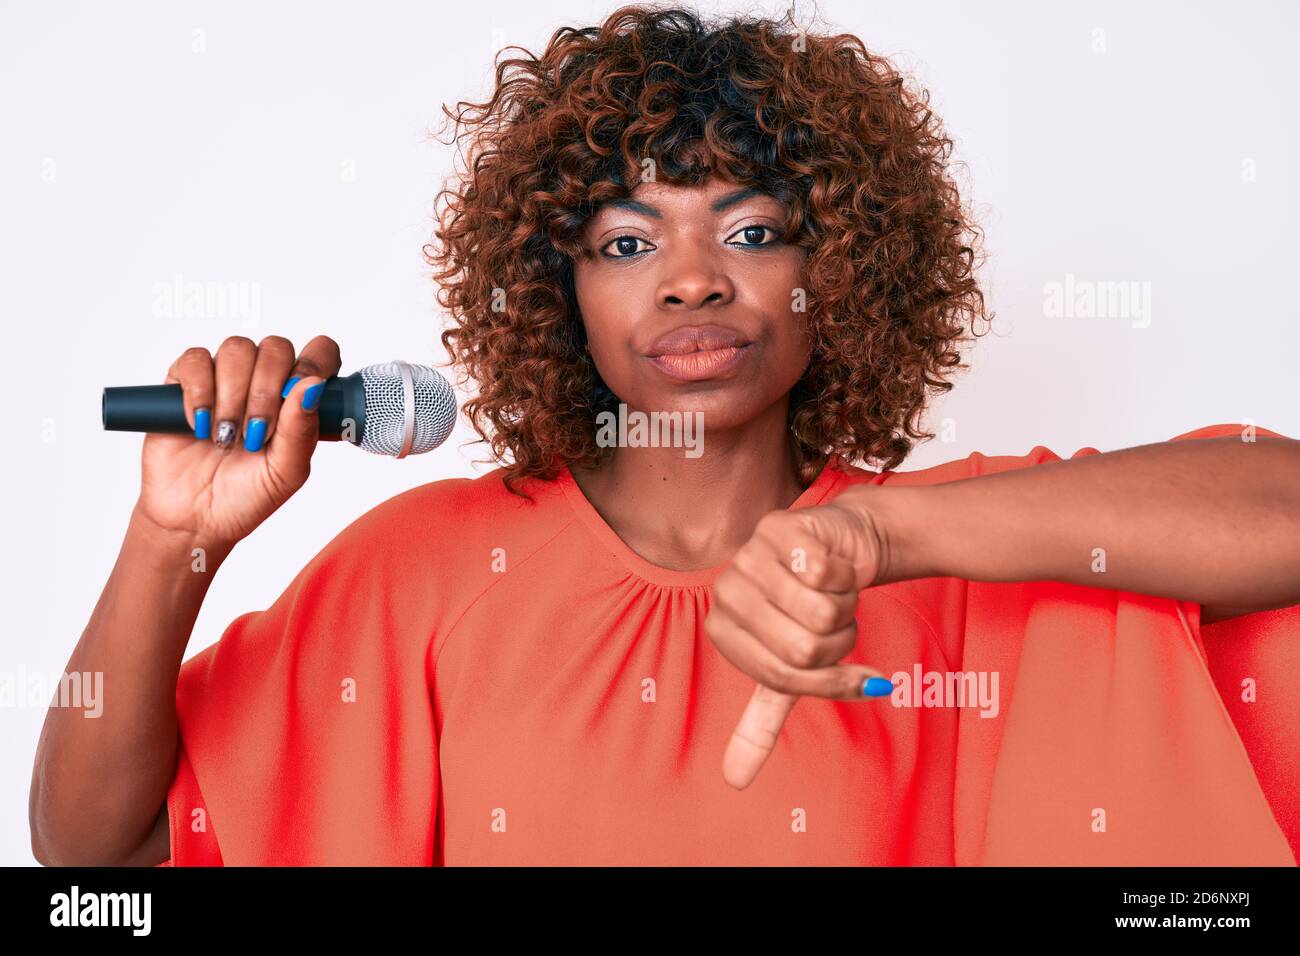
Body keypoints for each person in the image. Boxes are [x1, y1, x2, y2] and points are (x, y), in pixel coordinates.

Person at [29, 5, 1299, 867]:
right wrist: (170, 540)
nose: (690, 281)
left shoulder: (970, 556)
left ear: (840, 268)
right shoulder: (421, 567)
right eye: (628, 242)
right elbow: (99, 852)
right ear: (556, 286)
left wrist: (878, 531)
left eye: (750, 232)